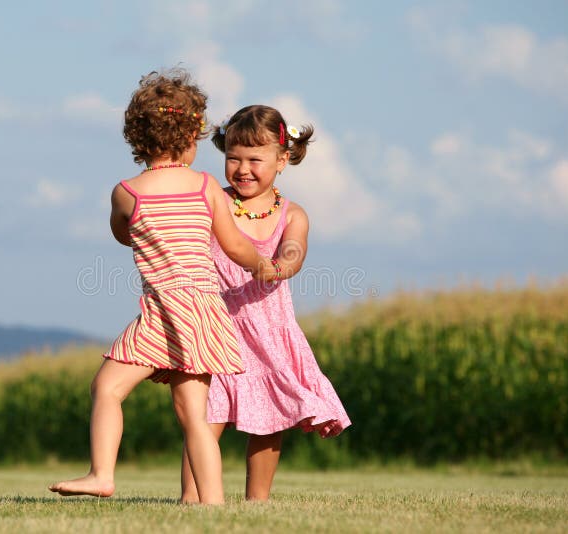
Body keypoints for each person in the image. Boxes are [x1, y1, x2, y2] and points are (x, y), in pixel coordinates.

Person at [49, 71, 276, 505]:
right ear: (192, 134)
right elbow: (234, 246)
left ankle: (101, 473)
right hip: (206, 310)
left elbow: (123, 235)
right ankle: (212, 503)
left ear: (137, 137)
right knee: (194, 415)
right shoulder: (207, 187)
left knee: (107, 389)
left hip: (164, 309)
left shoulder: (127, 193)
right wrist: (262, 264)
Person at [180, 105, 351, 503]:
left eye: (254, 159)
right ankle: (193, 496)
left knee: (268, 420)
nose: (242, 169)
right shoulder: (213, 203)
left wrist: (281, 265)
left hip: (269, 330)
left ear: (282, 159)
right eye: (232, 158)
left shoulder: (292, 214)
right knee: (206, 416)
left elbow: (294, 249)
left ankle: (258, 499)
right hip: (218, 327)